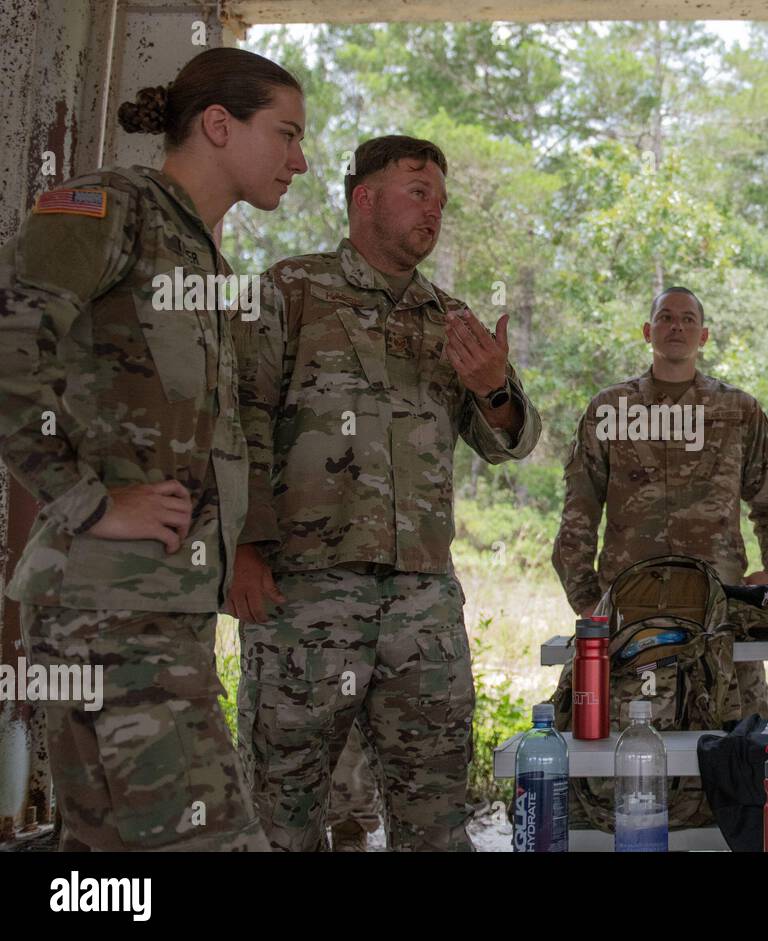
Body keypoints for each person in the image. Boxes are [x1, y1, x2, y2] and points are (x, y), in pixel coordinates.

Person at [0, 47, 308, 850]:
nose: (300, 160)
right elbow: (7, 356)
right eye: (285, 133)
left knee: (109, 866)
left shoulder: (203, 256)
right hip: (107, 615)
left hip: (157, 614)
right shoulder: (108, 208)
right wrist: (91, 503)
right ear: (217, 124)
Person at [229, 134, 541, 851]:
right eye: (417, 191)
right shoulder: (288, 291)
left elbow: (509, 442)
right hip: (304, 596)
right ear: (363, 199)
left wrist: (493, 385)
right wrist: (243, 547)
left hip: (422, 603)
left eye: (440, 196)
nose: (434, 209)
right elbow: (238, 419)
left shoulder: (450, 320)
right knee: (283, 814)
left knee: (435, 819)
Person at [553, 286, 768, 718]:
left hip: (718, 606)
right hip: (629, 610)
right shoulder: (611, 410)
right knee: (620, 741)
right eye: (665, 318)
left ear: (703, 336)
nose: (676, 326)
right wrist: (586, 599)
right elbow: (579, 511)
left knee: (744, 736)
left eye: (688, 319)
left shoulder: (737, 411)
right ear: (648, 331)